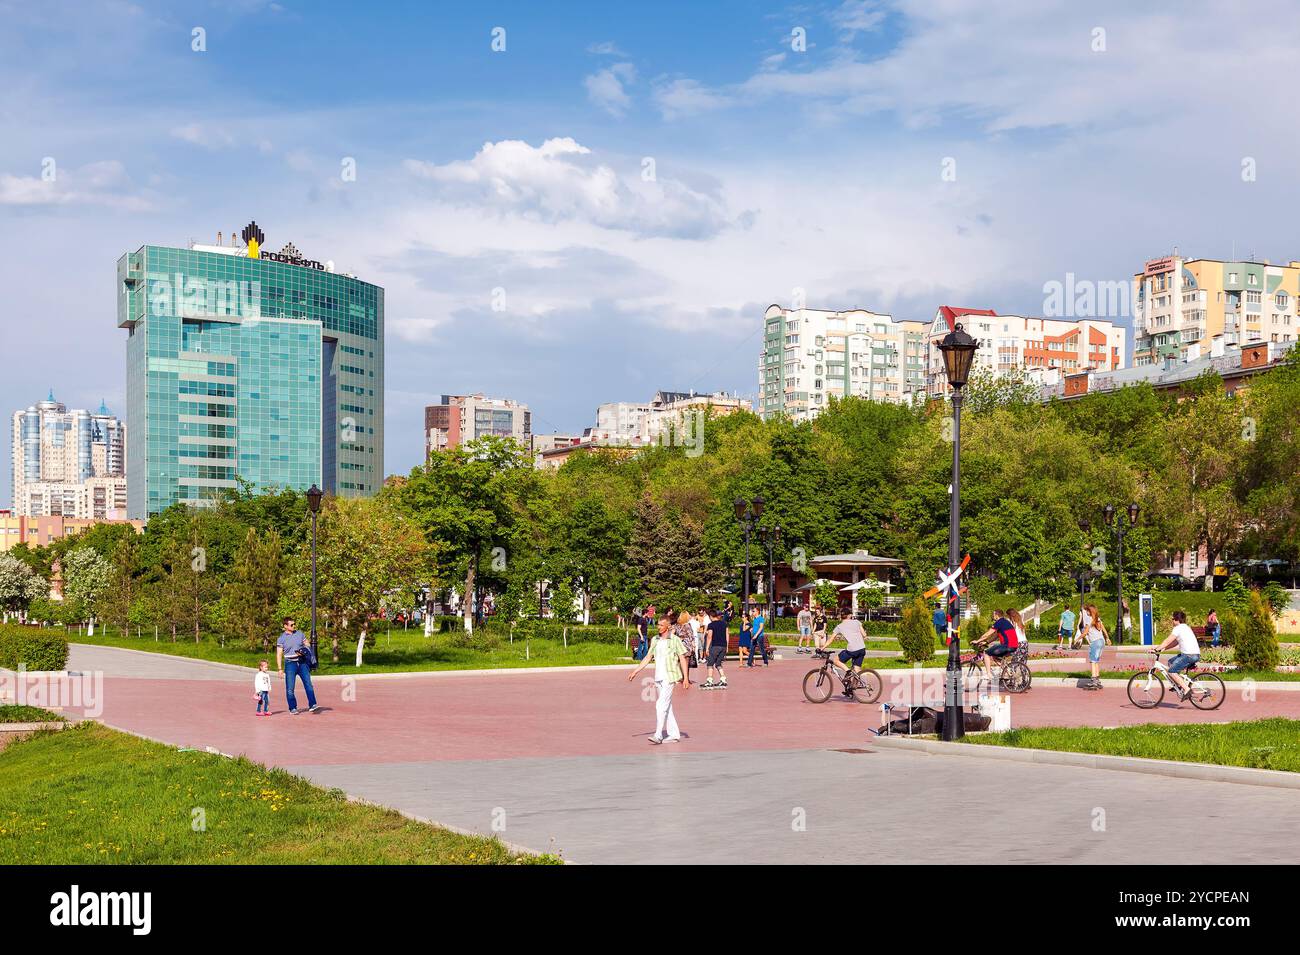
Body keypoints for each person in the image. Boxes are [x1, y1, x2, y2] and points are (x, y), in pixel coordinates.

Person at [627, 616, 689, 743]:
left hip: (670, 677)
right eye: (658, 624)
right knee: (667, 706)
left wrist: (686, 678)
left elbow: (682, 658)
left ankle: (658, 735)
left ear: (668, 626)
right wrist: (636, 671)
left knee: (660, 705)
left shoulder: (675, 640)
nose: (658, 627)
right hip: (659, 677)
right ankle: (674, 734)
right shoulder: (655, 640)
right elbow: (648, 657)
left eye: (661, 625)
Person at [817, 610, 868, 698]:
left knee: (836, 660)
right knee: (856, 669)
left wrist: (822, 648)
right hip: (862, 649)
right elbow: (864, 634)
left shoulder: (839, 626)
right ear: (850, 615)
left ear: (841, 616)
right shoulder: (856, 622)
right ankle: (857, 686)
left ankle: (848, 672)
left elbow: (831, 639)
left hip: (852, 649)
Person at [276, 617, 319, 714]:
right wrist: (280, 669)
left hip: (302, 662)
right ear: (285, 626)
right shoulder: (281, 639)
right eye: (291, 625)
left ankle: (312, 704)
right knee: (290, 688)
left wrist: (304, 650)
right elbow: (279, 654)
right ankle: (292, 708)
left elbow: (307, 644)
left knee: (308, 684)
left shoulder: (299, 633)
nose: (294, 626)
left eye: (294, 624)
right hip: (290, 664)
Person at [1156, 610, 1201, 699]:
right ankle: (1178, 684)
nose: (1172, 621)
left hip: (1189, 655)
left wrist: (1156, 649)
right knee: (1170, 662)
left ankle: (1186, 689)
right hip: (1194, 654)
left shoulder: (1178, 628)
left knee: (1171, 671)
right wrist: (1163, 649)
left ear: (1177, 619)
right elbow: (1175, 643)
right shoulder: (1186, 627)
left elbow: (1168, 640)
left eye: (1173, 619)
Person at [973, 609, 1018, 684]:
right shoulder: (1004, 622)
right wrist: (986, 642)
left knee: (986, 653)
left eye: (993, 615)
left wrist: (977, 641)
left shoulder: (999, 622)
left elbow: (988, 634)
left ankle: (988, 675)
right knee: (994, 656)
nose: (993, 616)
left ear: (997, 615)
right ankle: (1008, 671)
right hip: (1013, 645)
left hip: (1007, 645)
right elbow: (995, 636)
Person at [1080, 603, 1109, 689]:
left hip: (1095, 642)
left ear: (1090, 611)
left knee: (1093, 661)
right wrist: (1107, 638)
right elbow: (1104, 630)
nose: (1086, 612)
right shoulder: (1098, 619)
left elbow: (1085, 633)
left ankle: (1093, 681)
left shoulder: (1089, 620)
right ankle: (1097, 680)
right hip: (1101, 641)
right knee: (1096, 661)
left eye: (1087, 611)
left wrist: (1077, 639)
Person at [703, 607, 729, 689]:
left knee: (710, 663)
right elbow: (727, 635)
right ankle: (723, 679)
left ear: (711, 616)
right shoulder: (724, 623)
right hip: (723, 646)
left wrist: (707, 648)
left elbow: (709, 637)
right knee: (718, 663)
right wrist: (727, 646)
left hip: (715, 646)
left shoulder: (711, 625)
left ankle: (709, 681)